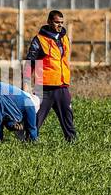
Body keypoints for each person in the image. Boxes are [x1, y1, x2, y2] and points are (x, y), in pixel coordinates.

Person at [24, 9, 77, 142]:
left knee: (68, 117)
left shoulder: (65, 38)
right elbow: (30, 62)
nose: (60, 25)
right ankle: (28, 142)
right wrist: (26, 82)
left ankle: (72, 143)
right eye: (56, 22)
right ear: (48, 22)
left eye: (62, 22)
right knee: (36, 118)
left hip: (61, 87)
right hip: (44, 88)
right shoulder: (39, 40)